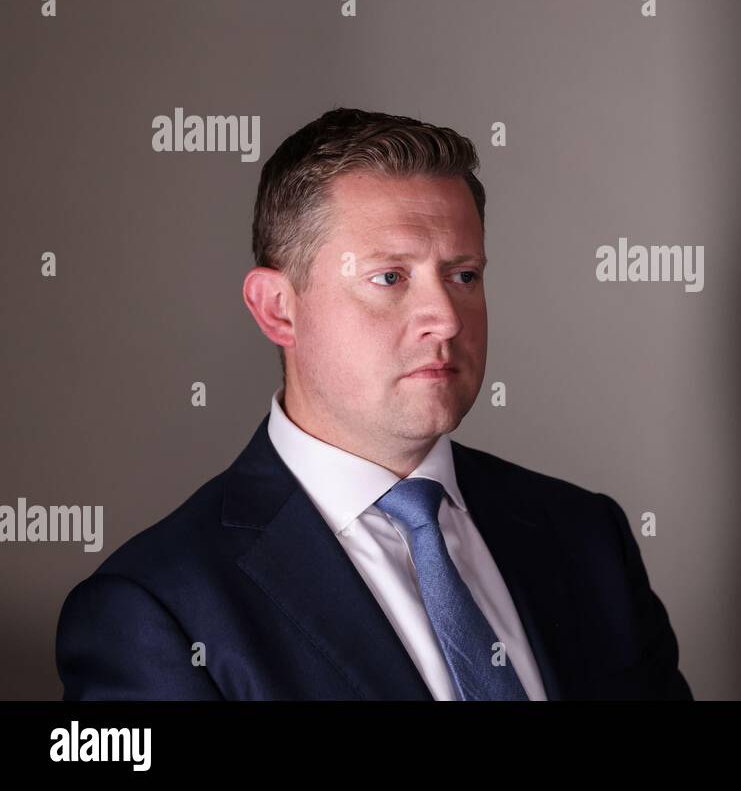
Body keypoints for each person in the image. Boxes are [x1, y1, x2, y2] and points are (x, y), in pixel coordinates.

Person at [55, 108, 692, 700]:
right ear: (279, 309)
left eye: (463, 275)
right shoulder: (155, 610)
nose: (444, 318)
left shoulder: (586, 536)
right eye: (390, 277)